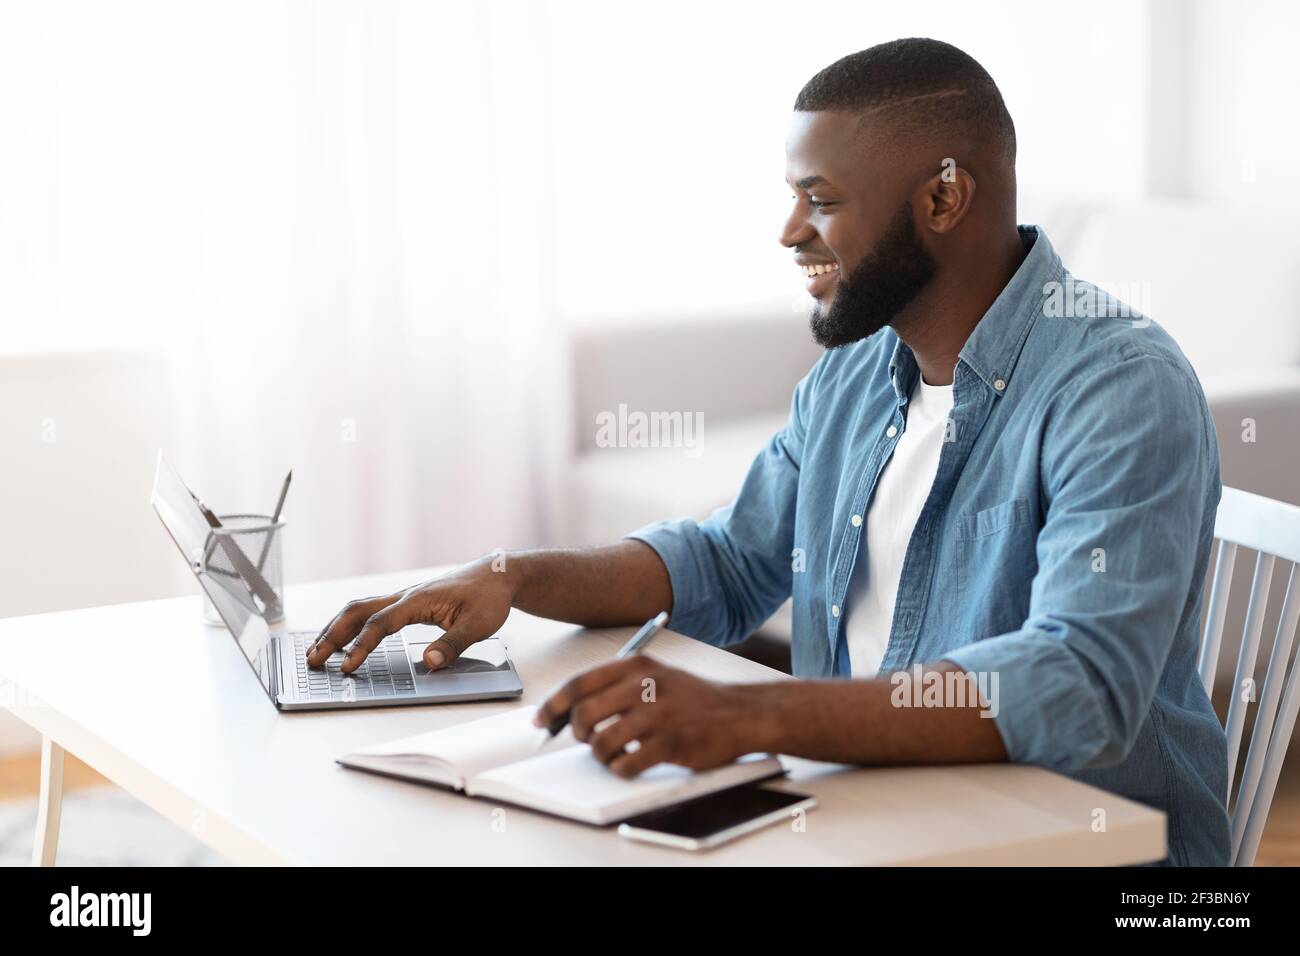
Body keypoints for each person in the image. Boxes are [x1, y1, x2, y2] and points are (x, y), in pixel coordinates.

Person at [308, 38, 1229, 865]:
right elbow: (729, 558)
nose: (790, 233)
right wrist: (511, 575)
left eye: (820, 201)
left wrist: (745, 715)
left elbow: (1079, 683)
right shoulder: (859, 374)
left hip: (1073, 856)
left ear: (943, 196)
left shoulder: (1119, 387)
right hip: (866, 817)